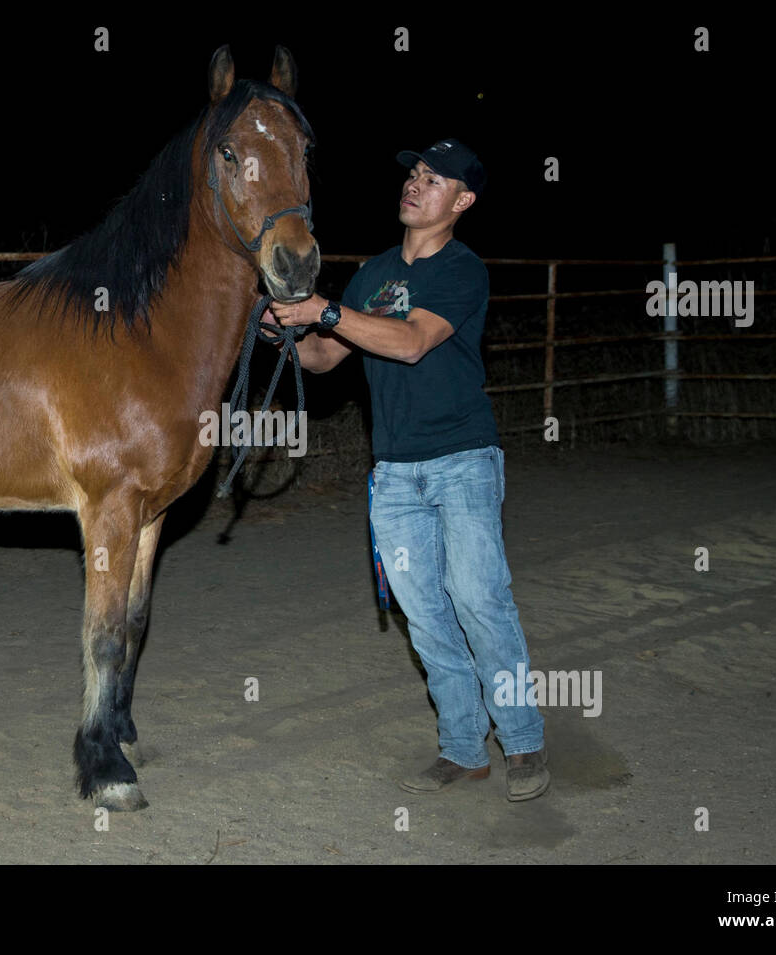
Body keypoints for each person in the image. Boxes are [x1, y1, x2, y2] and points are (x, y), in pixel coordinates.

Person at [267, 138, 549, 801]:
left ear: (463, 200)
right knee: (423, 614)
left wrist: (327, 311)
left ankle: (524, 740)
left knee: (479, 598)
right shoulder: (373, 273)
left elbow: (414, 342)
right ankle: (462, 745)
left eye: (434, 178)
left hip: (462, 461)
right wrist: (282, 327)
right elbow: (322, 362)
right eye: (413, 175)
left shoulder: (462, 270)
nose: (415, 184)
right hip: (393, 473)